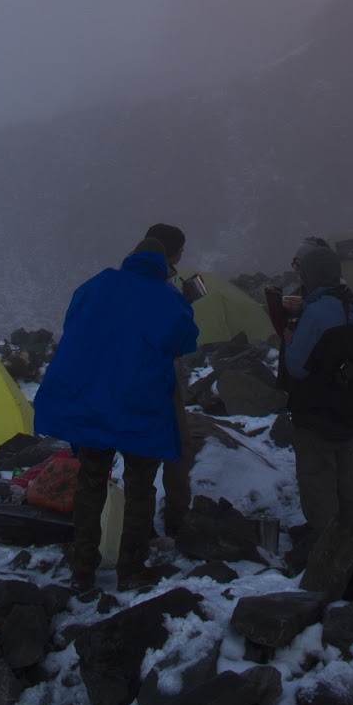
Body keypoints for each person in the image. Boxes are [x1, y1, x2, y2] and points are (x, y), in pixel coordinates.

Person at [34, 233, 197, 590]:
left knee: (91, 485)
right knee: (140, 488)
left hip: (95, 405)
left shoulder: (95, 286)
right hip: (142, 407)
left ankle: (83, 571)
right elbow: (185, 341)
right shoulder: (167, 297)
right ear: (163, 264)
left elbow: (75, 326)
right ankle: (131, 570)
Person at [278, 243, 353, 574]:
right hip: (348, 410)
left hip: (316, 413)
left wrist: (290, 334)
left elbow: (298, 366)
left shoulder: (317, 313)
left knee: (318, 485)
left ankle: (330, 564)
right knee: (347, 482)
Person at [144, 222, 194, 535]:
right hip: (159, 374)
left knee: (139, 457)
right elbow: (181, 338)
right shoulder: (163, 290)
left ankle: (136, 526)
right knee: (176, 445)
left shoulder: (121, 281)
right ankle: (175, 519)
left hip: (126, 377)